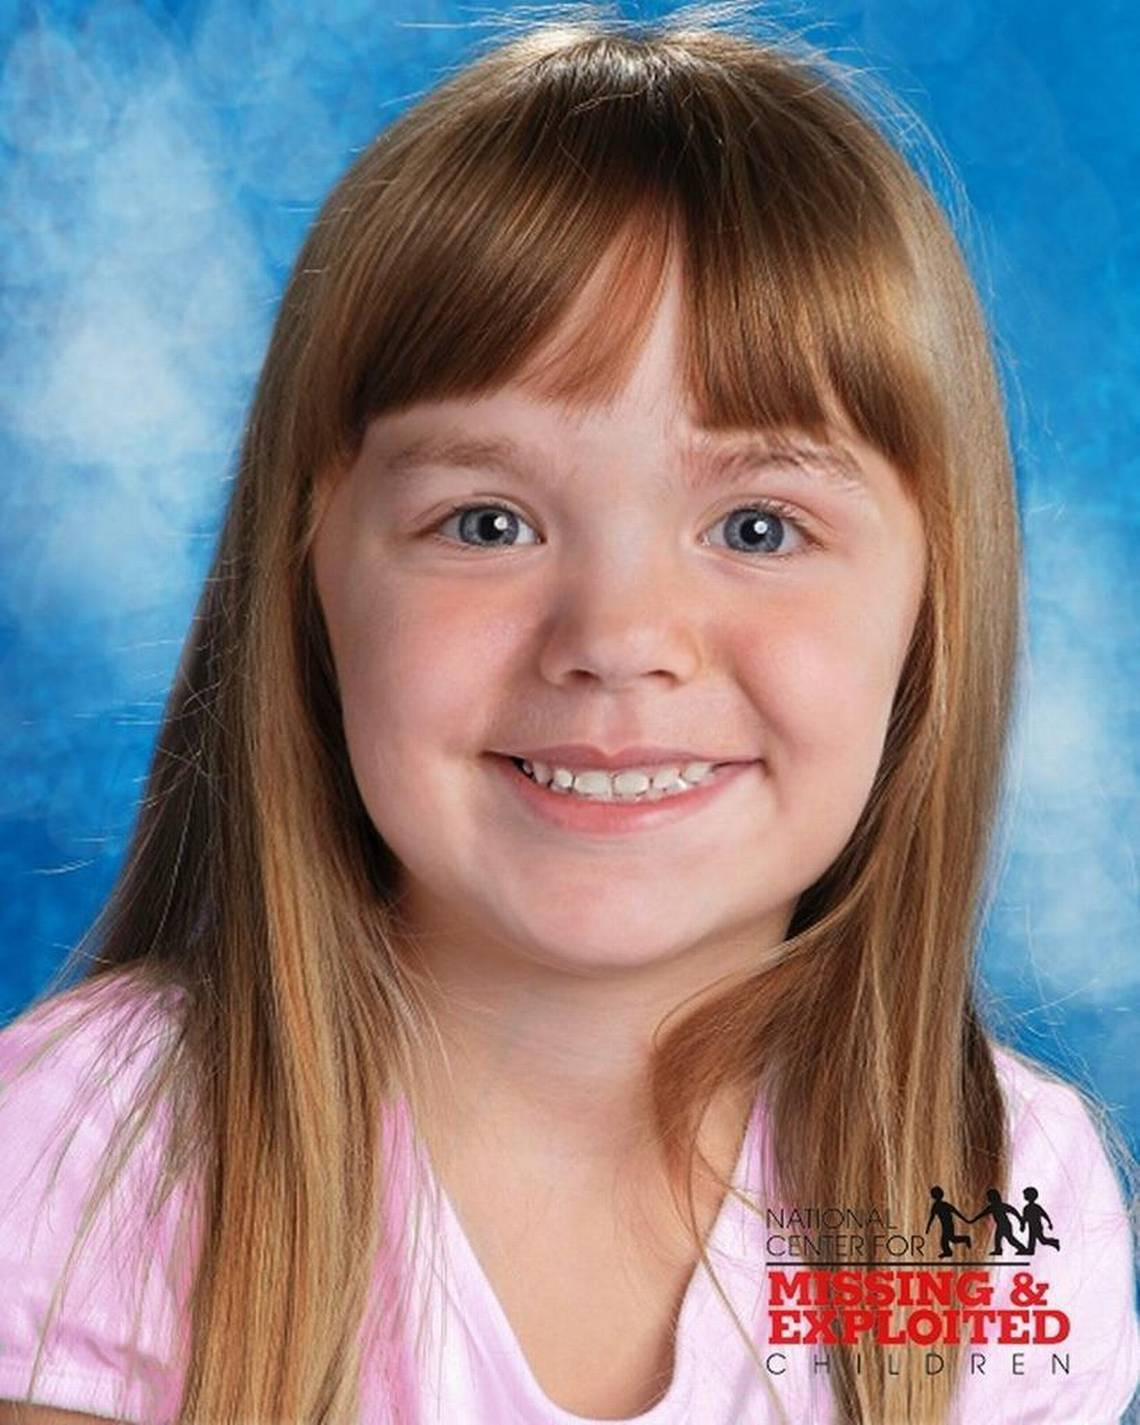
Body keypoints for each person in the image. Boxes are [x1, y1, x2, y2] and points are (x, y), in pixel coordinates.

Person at [0, 10, 1137, 1425]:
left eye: (760, 526)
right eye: (488, 521)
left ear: (933, 608)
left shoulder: (986, 1204)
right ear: (309, 578)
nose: (617, 640)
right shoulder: (103, 1153)